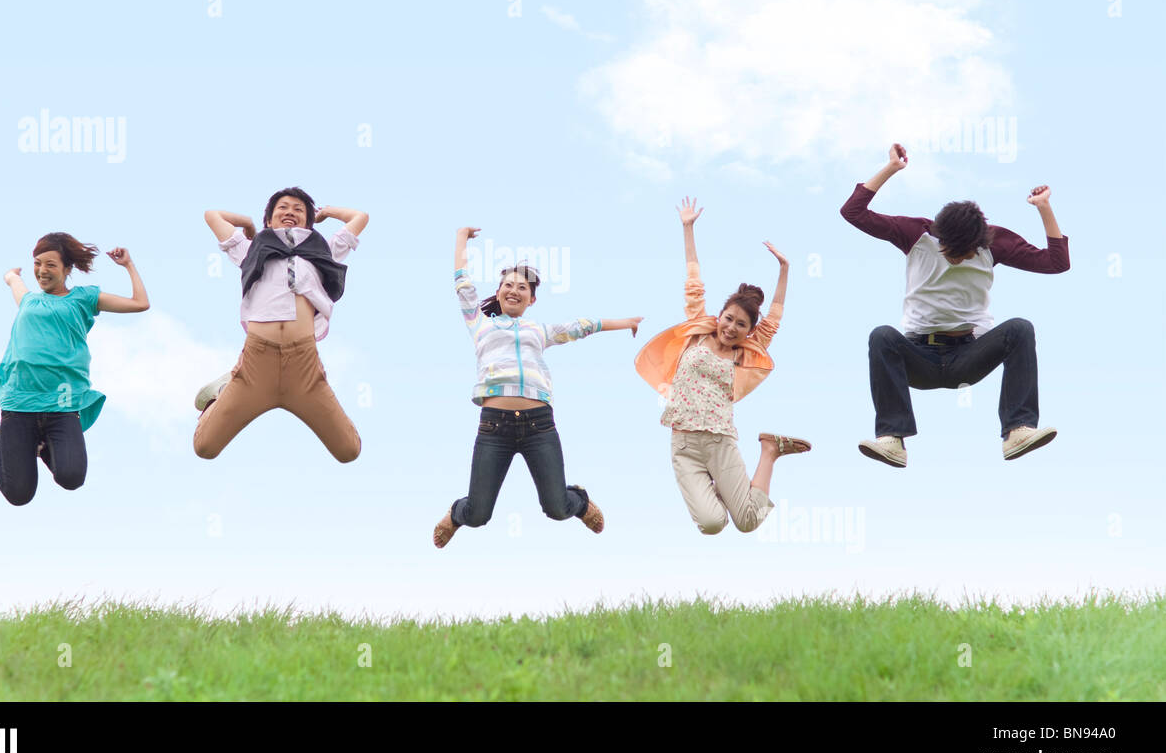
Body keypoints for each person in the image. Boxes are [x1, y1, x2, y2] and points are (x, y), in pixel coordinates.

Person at [841, 143, 1070, 466]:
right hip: (918, 356)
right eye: (950, 251)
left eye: (966, 254)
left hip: (968, 356)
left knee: (1020, 328)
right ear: (938, 234)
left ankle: (1018, 429)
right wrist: (890, 169)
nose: (957, 258)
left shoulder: (995, 243)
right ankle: (893, 438)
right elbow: (853, 212)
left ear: (980, 243)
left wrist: (1044, 208)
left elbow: (1056, 263)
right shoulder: (915, 235)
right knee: (882, 336)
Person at [432, 226, 644, 548]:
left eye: (522, 287)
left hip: (539, 426)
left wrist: (624, 323)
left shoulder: (540, 331)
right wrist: (461, 237)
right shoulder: (480, 323)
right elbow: (462, 282)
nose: (513, 290)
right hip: (494, 427)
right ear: (499, 291)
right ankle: (455, 515)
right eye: (507, 285)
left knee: (558, 508)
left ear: (532, 299)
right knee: (477, 515)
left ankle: (581, 503)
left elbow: (581, 327)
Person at [636, 198, 811, 536]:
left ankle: (770, 450)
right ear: (720, 315)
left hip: (720, 442)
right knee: (712, 523)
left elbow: (773, 319)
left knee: (747, 521)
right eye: (728, 319)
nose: (731, 328)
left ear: (748, 330)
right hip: (684, 444)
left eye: (741, 325)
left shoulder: (745, 353)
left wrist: (785, 270)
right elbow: (693, 278)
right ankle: (718, 492)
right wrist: (688, 228)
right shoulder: (698, 331)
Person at [192, 187, 367, 463]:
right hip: (256, 363)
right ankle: (223, 393)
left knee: (349, 451)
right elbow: (212, 215)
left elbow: (359, 217)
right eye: (282, 208)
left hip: (303, 366)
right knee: (204, 447)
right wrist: (248, 225)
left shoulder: (322, 252)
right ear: (270, 220)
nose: (290, 212)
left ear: (308, 223)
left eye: (298, 210)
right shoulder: (252, 249)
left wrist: (326, 213)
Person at [0, 233, 149, 505]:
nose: (42, 271)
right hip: (19, 402)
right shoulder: (29, 302)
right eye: (37, 263)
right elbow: (15, 283)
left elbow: (140, 303)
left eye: (51, 265)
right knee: (19, 495)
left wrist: (128, 265)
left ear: (67, 269)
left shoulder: (83, 298)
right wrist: (11, 276)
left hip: (62, 403)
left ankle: (42, 444)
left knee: (71, 477)